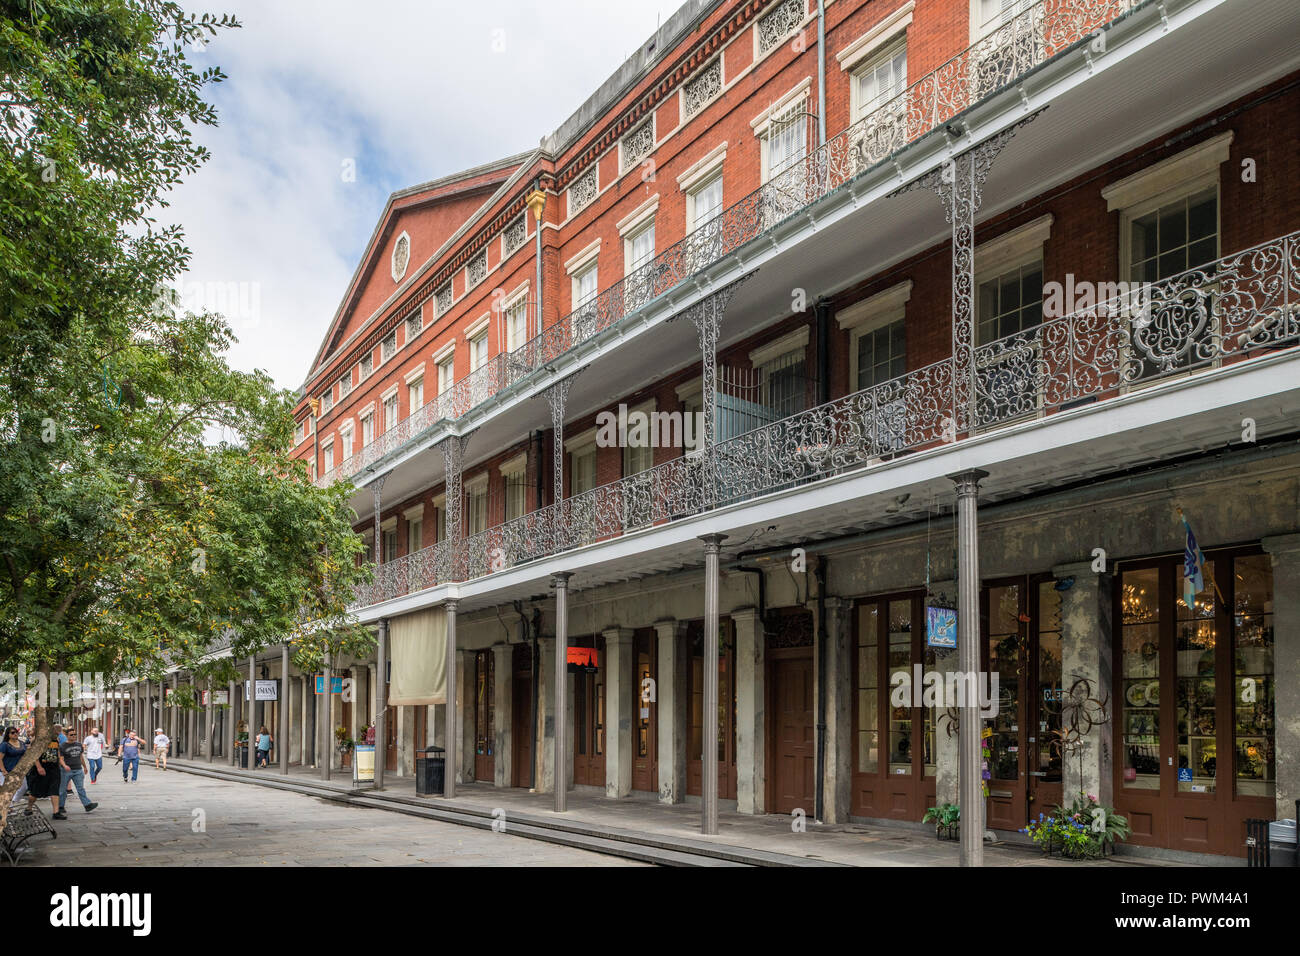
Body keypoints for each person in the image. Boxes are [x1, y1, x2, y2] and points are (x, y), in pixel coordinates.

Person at [54, 728, 97, 819]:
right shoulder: (62, 746)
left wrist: (85, 767)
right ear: (67, 736)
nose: (73, 736)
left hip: (78, 770)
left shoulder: (79, 745)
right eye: (71, 735)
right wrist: (64, 765)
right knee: (62, 790)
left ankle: (87, 805)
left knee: (80, 788)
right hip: (66, 770)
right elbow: (60, 758)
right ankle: (61, 807)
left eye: (75, 734)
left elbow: (80, 756)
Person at [26, 732, 62, 816]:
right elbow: (33, 754)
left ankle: (56, 812)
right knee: (34, 792)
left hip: (54, 768)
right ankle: (29, 807)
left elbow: (58, 751)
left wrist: (60, 763)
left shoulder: (55, 739)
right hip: (40, 769)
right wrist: (38, 767)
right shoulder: (36, 739)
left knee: (54, 790)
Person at [1, 728, 28, 805]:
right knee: (8, 790)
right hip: (7, 770)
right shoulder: (5, 745)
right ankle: (9, 808)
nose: (15, 734)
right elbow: (0, 759)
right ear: (8, 735)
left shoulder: (22, 743)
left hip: (19, 771)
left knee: (24, 787)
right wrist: (3, 770)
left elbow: (26, 755)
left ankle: (13, 801)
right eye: (12, 733)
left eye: (16, 732)